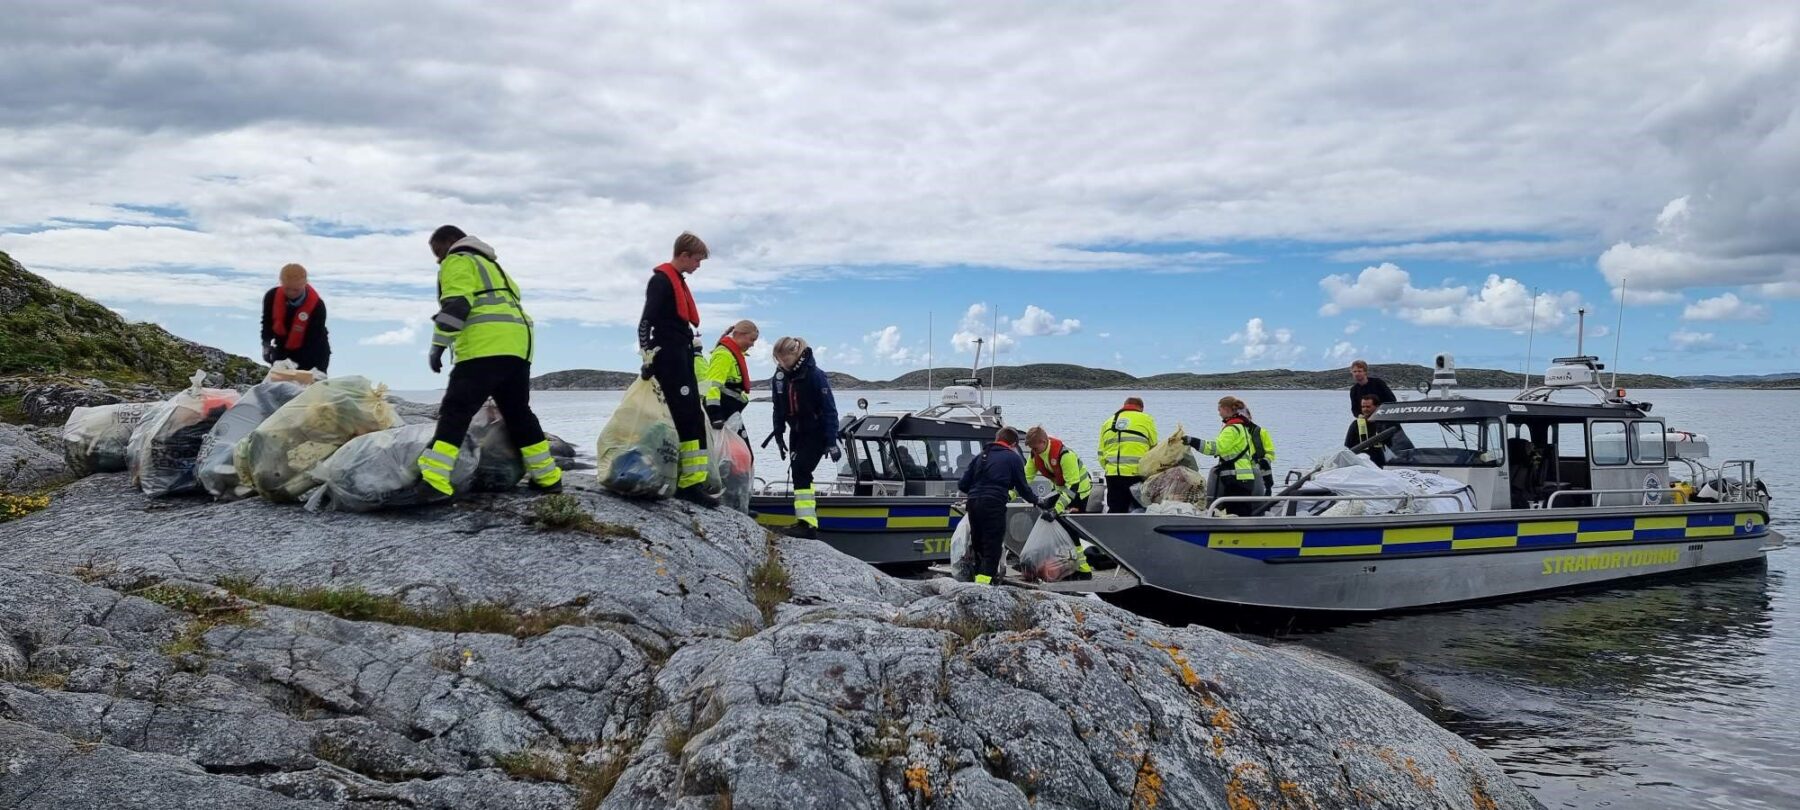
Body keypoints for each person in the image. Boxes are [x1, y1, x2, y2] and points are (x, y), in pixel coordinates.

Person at [417, 226, 562, 497]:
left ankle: (435, 478)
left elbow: (457, 306)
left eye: (438, 252)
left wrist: (438, 345)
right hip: (518, 348)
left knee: (456, 410)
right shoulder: (494, 267)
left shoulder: (457, 260)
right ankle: (548, 477)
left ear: (450, 242)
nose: (438, 259)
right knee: (518, 412)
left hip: (484, 347)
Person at [639, 232, 717, 507]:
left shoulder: (678, 281)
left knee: (693, 416)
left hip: (682, 354)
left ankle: (692, 481)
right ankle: (688, 485)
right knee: (684, 417)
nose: (698, 265)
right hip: (669, 357)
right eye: (697, 260)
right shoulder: (661, 281)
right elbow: (646, 322)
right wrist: (647, 358)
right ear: (684, 255)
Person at [959, 427, 1058, 584]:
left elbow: (963, 485)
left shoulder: (980, 457)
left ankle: (976, 582)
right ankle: (984, 586)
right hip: (993, 505)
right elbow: (1022, 488)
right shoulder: (1013, 458)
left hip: (973, 504)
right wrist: (1037, 500)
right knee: (992, 547)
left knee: (978, 544)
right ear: (1013, 444)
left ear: (997, 439)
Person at [771, 336, 840, 538]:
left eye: (784, 360)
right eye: (778, 361)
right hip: (797, 431)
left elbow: (830, 410)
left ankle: (808, 524)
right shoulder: (780, 378)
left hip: (816, 431)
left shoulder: (815, 375)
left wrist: (831, 441)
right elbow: (778, 407)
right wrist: (778, 433)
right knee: (798, 471)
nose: (781, 364)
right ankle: (805, 521)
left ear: (794, 354)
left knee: (802, 468)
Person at [1186, 396, 1269, 516]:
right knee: (1241, 512)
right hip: (1243, 479)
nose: (1219, 413)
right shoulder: (1242, 427)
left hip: (1236, 480)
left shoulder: (1232, 429)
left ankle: (1237, 533)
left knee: (1236, 514)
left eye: (1219, 410)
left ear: (1225, 409)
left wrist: (1193, 441)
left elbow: (1216, 448)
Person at [260, 263, 330, 372]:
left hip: (314, 352)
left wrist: (299, 370)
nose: (291, 293)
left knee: (305, 386)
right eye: (287, 288)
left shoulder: (318, 306)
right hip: (282, 347)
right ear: (281, 282)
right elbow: (267, 323)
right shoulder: (271, 297)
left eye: (296, 290)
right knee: (279, 385)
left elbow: (314, 339)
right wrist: (266, 345)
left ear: (305, 284)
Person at [1098, 397, 1158, 513]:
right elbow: (1154, 448)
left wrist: (1109, 468)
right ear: (1141, 408)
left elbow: (1101, 453)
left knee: (1116, 509)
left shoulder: (1108, 422)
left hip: (1112, 475)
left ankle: (1114, 530)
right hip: (1136, 474)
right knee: (1139, 509)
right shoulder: (1146, 419)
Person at [703, 320, 759, 430]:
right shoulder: (724, 354)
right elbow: (712, 385)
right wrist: (715, 414)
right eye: (751, 340)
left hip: (731, 413)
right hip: (723, 416)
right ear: (739, 334)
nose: (752, 344)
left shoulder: (734, 355)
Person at [1024, 426, 1092, 513]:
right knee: (1045, 510)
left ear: (1043, 442)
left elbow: (1072, 486)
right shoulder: (1035, 456)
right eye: (1031, 448)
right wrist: (1010, 495)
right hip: (1060, 491)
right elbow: (1025, 479)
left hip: (1079, 493)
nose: (1033, 451)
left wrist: (1057, 510)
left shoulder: (1066, 456)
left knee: (1065, 518)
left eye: (1035, 448)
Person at [1345, 394, 1388, 466]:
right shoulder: (1356, 424)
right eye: (1363, 407)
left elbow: (1395, 444)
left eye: (1368, 407)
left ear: (1377, 407)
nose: (1365, 409)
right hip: (1361, 464)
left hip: (1380, 464)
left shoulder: (1384, 423)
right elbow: (1348, 445)